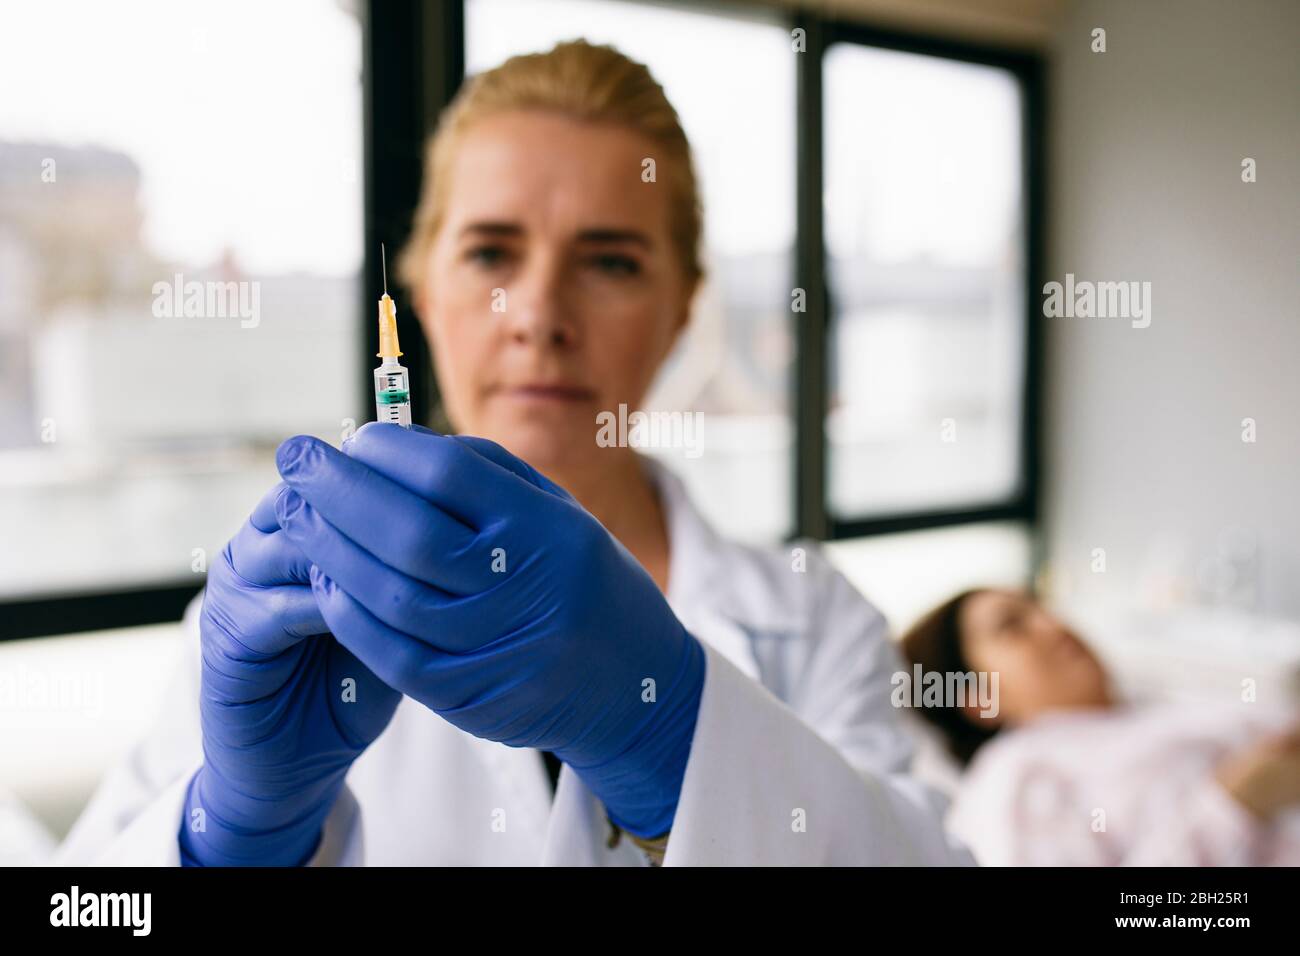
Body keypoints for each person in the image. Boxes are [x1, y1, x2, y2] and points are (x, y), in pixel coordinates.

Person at [55, 39, 971, 867]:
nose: (537, 316)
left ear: (684, 306)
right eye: (491, 253)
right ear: (421, 288)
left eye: (610, 262)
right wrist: (234, 835)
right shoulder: (279, 611)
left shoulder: (814, 625)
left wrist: (677, 740)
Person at [900, 588, 1300, 866]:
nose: (1052, 624)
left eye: (1041, 608)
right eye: (1013, 626)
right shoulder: (1016, 778)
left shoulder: (1163, 708)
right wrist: (1235, 805)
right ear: (977, 699)